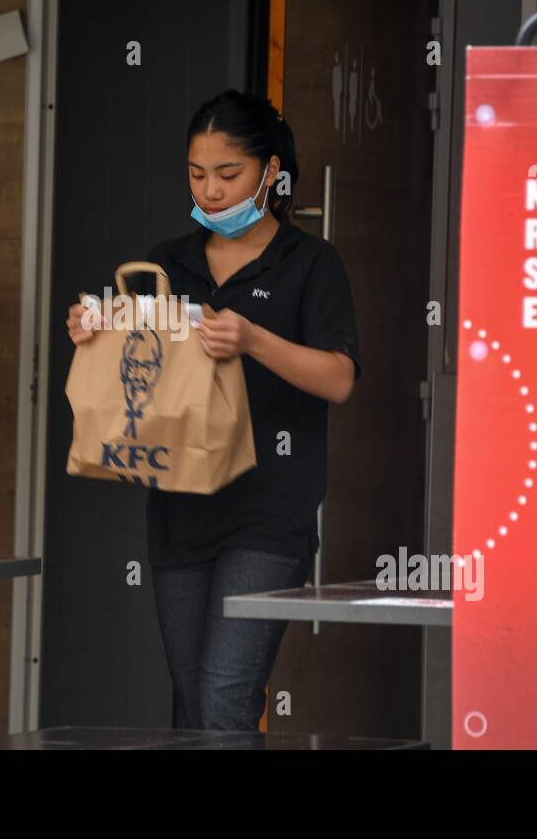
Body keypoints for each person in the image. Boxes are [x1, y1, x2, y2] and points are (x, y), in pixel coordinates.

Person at [65, 89, 361, 731]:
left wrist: (253, 338)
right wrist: (95, 327)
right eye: (197, 175)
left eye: (229, 175)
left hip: (269, 513)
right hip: (180, 505)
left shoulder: (311, 263)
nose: (212, 191)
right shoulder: (168, 262)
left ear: (270, 173)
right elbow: (137, 361)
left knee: (227, 698)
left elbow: (339, 379)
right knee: (191, 700)